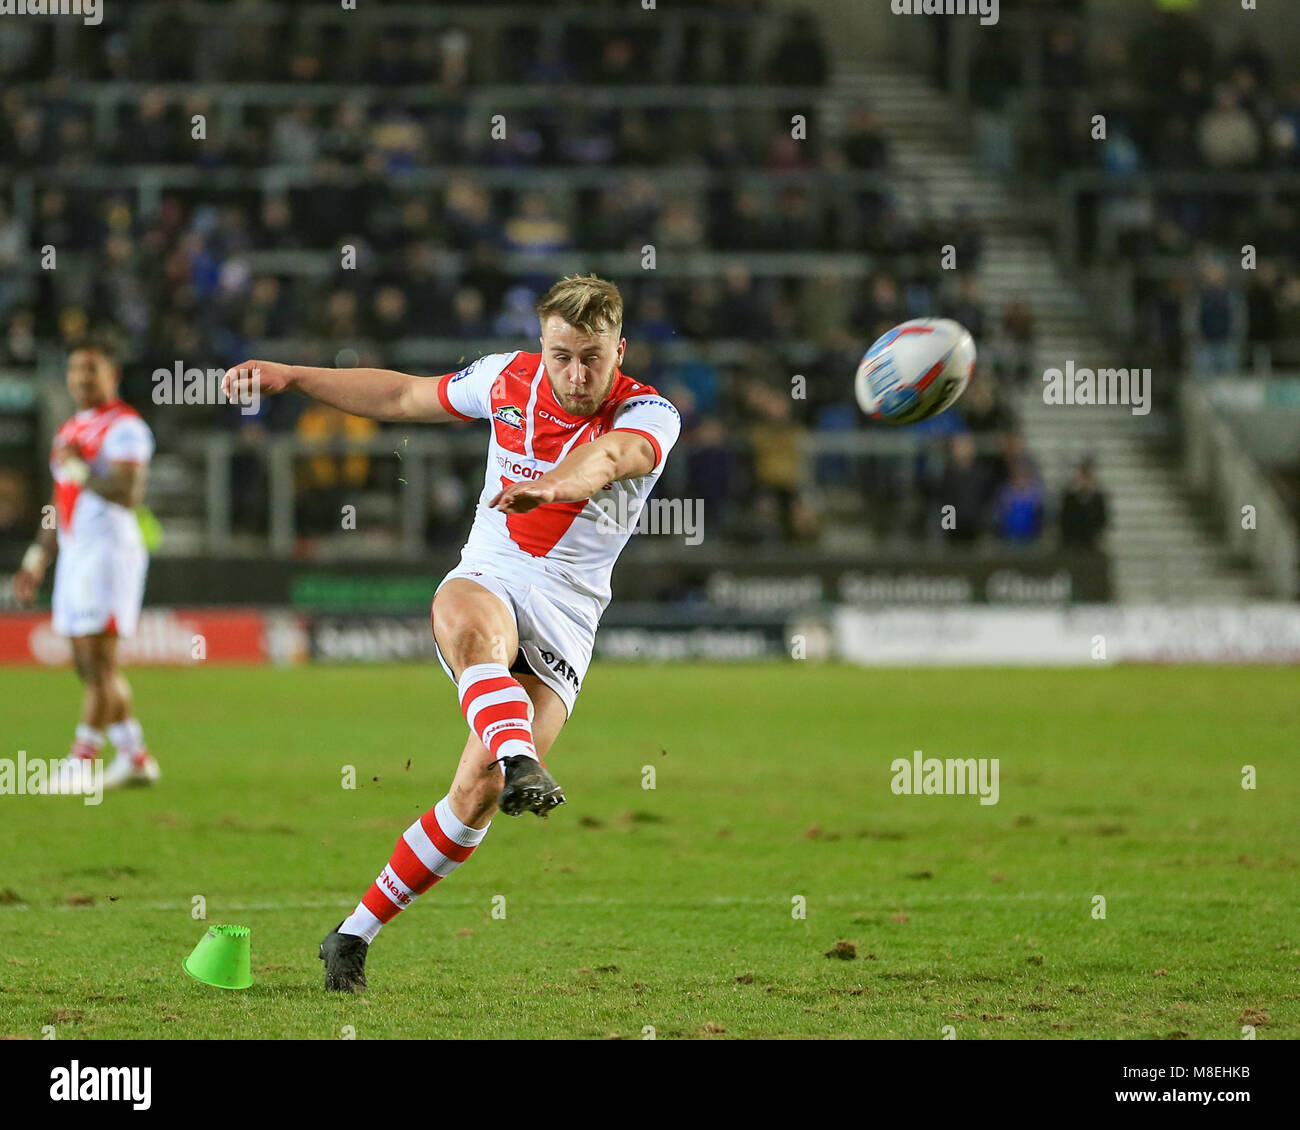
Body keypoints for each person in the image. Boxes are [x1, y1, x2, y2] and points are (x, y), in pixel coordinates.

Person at [223, 274, 680, 992]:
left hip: (568, 611)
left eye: (593, 356)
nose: (576, 372)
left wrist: (554, 486)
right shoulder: (504, 379)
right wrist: (293, 375)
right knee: (472, 632)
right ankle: (522, 758)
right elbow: (403, 396)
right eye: (562, 354)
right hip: (491, 572)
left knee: (474, 794)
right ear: (542, 344)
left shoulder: (652, 412)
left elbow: (611, 460)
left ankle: (350, 935)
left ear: (619, 349)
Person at [10, 336, 158, 791]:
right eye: (75, 370)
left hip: (109, 551)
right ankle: (134, 754)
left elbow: (128, 492)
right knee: (84, 662)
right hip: (75, 551)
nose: (81, 379)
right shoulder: (69, 430)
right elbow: (60, 499)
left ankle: (82, 761)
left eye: (91, 370)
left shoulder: (126, 427)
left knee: (99, 660)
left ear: (111, 375)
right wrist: (37, 557)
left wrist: (79, 470)